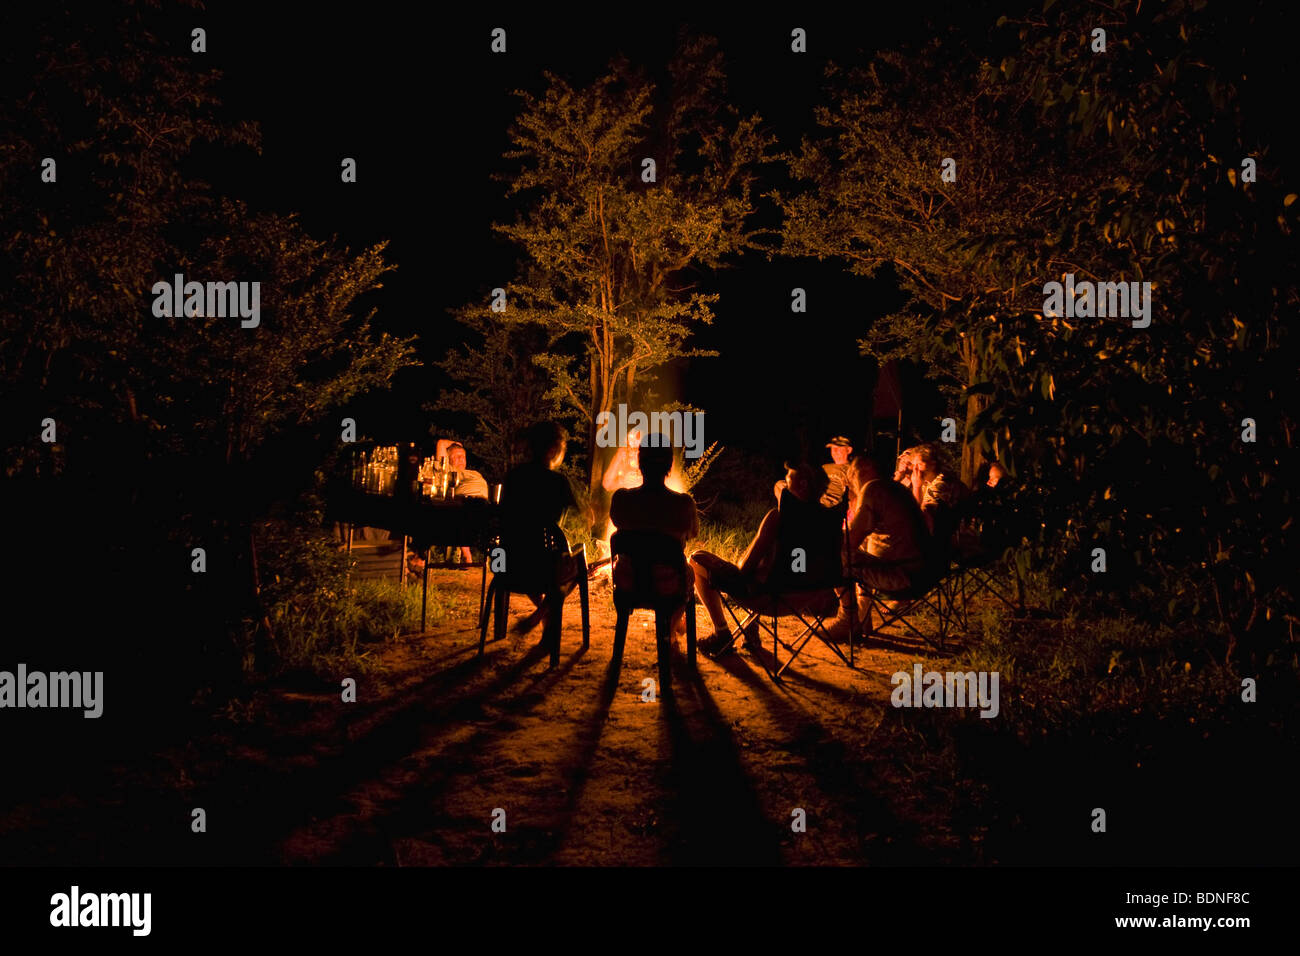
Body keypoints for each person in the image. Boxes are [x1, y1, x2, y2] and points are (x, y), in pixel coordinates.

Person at [691, 461, 838, 656]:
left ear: (802, 484)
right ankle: (751, 632)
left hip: (770, 599)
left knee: (696, 559)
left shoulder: (778, 518)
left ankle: (722, 633)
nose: (784, 484)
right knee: (769, 565)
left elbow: (744, 569)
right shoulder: (828, 522)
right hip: (807, 597)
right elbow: (803, 565)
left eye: (788, 479)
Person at [823, 449, 932, 639]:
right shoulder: (895, 489)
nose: (850, 481)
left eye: (851, 474)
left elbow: (850, 542)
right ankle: (863, 618)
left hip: (903, 577)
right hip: (923, 571)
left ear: (861, 471)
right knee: (862, 553)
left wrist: (822, 536)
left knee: (835, 554)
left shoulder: (873, 489)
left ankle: (847, 620)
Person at [499, 422, 585, 640]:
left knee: (533, 557)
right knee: (579, 567)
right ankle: (541, 615)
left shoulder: (513, 476)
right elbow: (580, 514)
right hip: (544, 567)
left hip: (508, 564)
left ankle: (543, 616)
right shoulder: (557, 482)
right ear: (553, 451)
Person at [609, 438, 699, 637]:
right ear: (670, 465)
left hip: (628, 582)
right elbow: (692, 533)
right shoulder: (684, 504)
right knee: (690, 571)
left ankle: (671, 629)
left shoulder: (621, 499)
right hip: (668, 585)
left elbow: (617, 528)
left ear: (640, 463)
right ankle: (670, 629)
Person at [821, 436, 854, 510]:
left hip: (835, 510)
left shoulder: (853, 469)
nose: (835, 451)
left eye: (839, 448)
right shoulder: (824, 467)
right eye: (832, 448)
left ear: (849, 450)